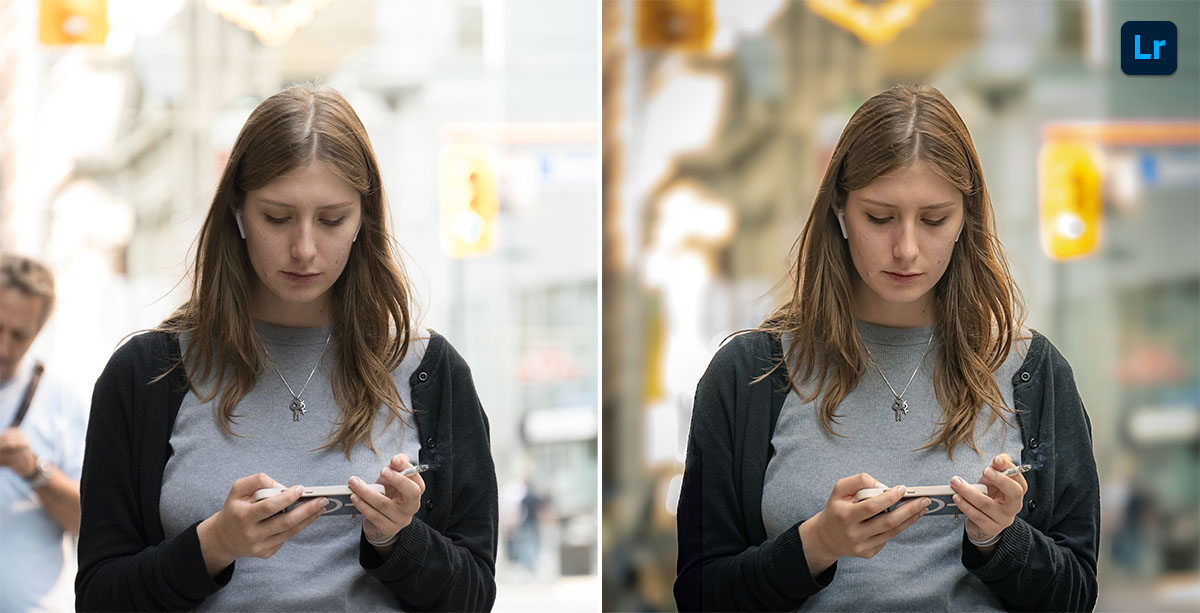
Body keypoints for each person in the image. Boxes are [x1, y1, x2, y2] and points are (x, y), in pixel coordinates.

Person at [674, 84, 1099, 611]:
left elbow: (1076, 596)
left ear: (966, 217)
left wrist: (999, 540)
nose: (906, 249)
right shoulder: (749, 375)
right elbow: (699, 596)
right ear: (839, 208)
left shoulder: (1033, 371)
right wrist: (816, 545)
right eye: (879, 217)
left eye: (934, 219)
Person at [75, 85, 498, 611]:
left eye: (332, 219)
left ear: (364, 217)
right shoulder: (146, 374)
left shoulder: (430, 371)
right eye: (276, 217)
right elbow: (99, 598)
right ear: (236, 209)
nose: (304, 248)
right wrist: (214, 544)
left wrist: (397, 540)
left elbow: (474, 596)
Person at [0, 253, 90, 611]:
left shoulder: (62, 398)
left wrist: (34, 471)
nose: (3, 347)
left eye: (19, 335)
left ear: (39, 331)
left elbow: (89, 520)